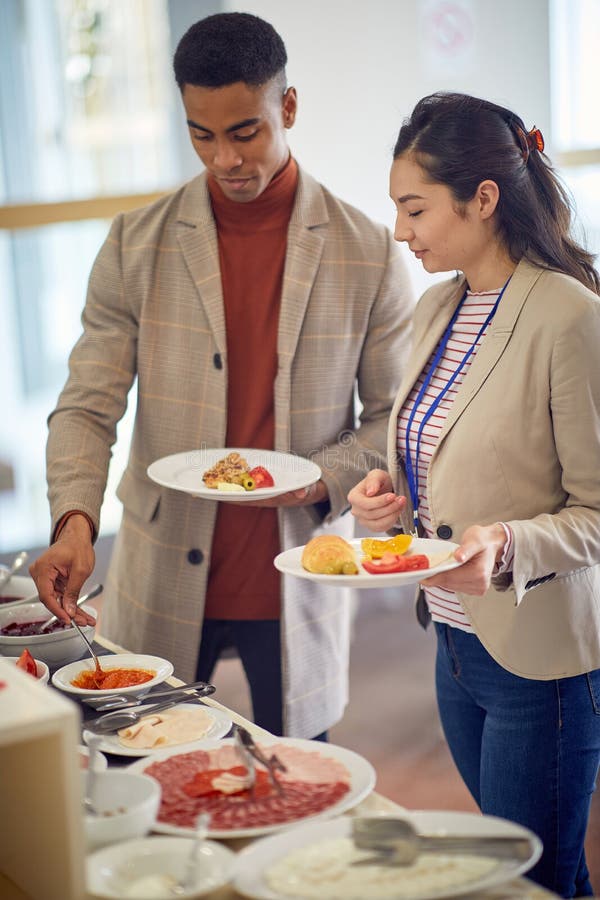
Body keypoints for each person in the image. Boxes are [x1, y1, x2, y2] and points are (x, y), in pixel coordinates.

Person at [30, 12, 414, 740]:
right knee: (147, 769)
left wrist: (318, 479)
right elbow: (86, 405)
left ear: (287, 108)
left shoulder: (367, 251)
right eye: (201, 135)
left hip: (297, 573)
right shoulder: (133, 244)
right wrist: (73, 520)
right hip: (162, 569)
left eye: (245, 132)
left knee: (297, 788)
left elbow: (390, 419)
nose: (224, 159)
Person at [348, 91, 600, 897]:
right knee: (527, 871)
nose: (400, 229)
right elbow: (436, 460)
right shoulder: (435, 309)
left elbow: (596, 511)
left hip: (542, 663)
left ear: (482, 199)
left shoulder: (568, 317)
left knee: (532, 879)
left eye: (414, 207)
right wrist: (387, 503)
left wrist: (507, 545)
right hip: (453, 644)